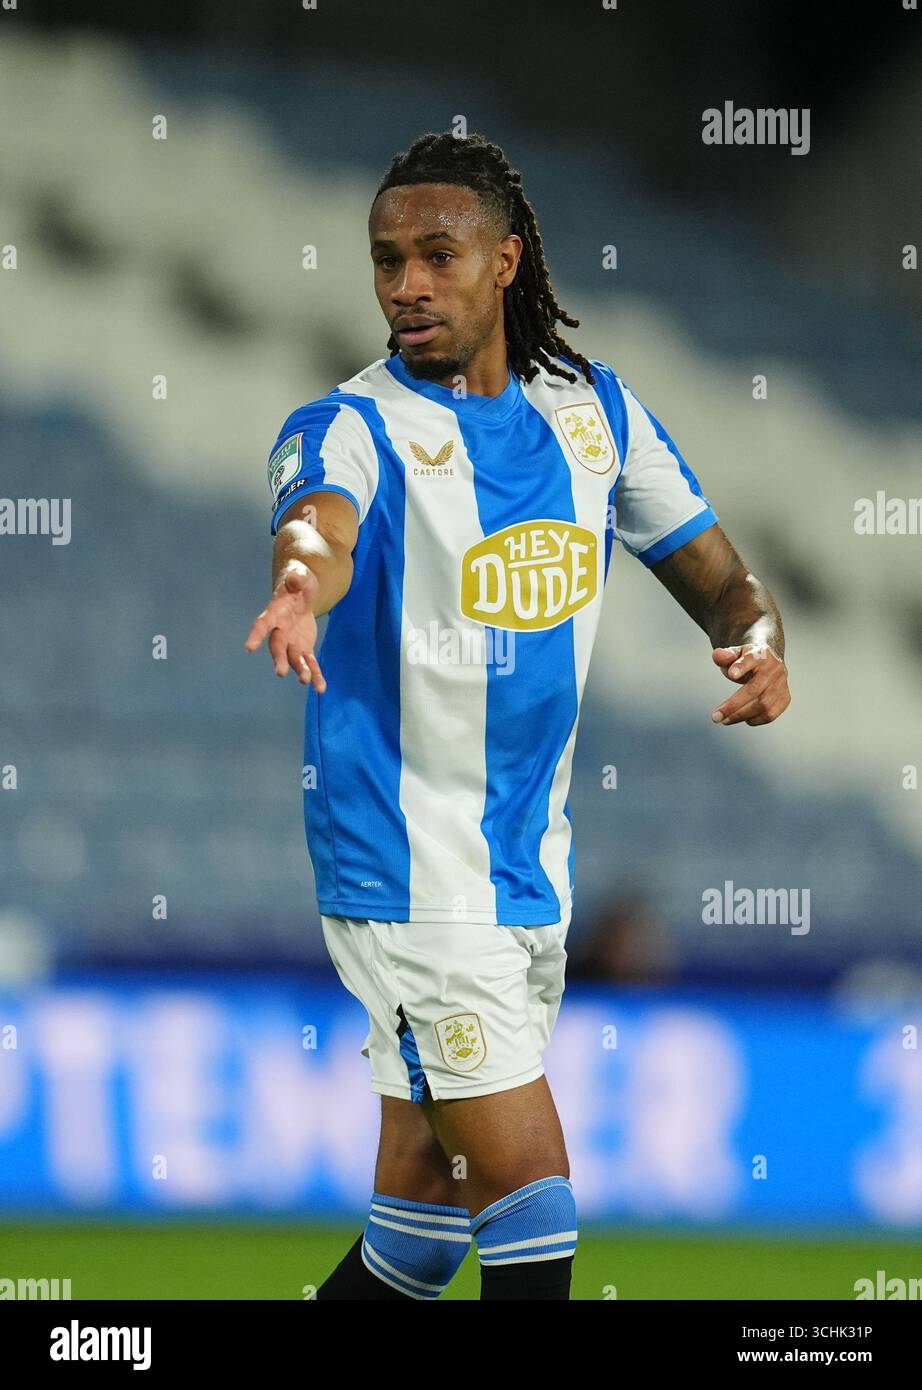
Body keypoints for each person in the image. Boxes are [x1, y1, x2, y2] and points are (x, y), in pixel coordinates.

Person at [245, 131, 791, 1301]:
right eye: (387, 259)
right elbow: (319, 525)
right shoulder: (351, 424)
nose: (405, 285)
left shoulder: (594, 417)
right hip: (409, 871)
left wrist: (755, 640)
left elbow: (720, 579)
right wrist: (299, 583)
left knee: (420, 1228)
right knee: (531, 1193)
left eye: (436, 255)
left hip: (523, 872)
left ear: (506, 261)